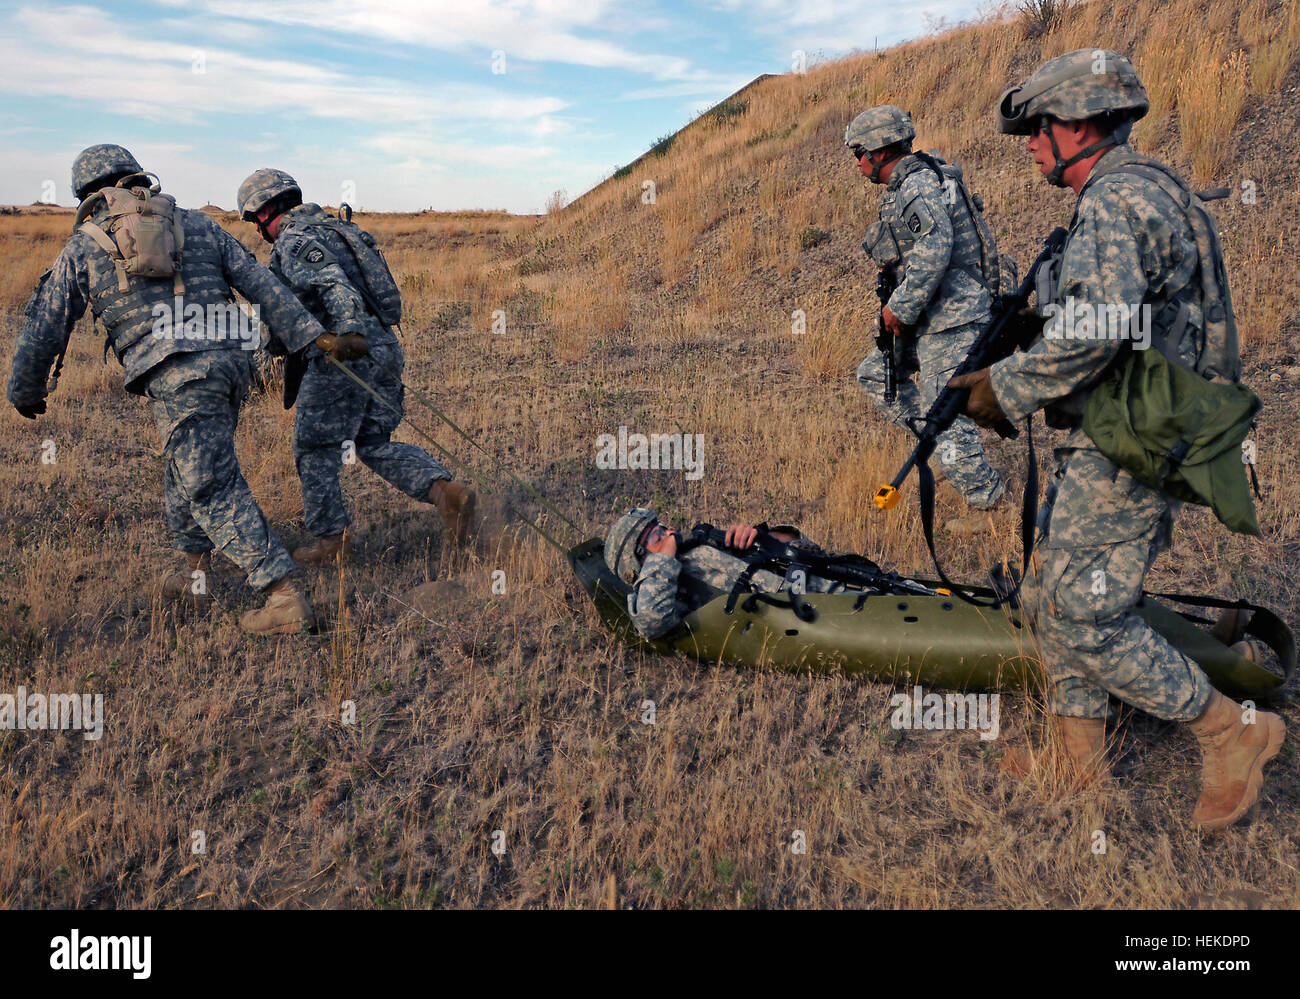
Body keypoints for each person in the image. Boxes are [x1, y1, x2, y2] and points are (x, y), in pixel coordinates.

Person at [952, 50, 1285, 830]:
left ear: (1080, 124)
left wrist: (1005, 388)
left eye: (1039, 127)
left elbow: (1095, 335)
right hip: (1112, 430)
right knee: (1047, 597)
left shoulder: (1117, 204)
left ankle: (1231, 731)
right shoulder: (1136, 193)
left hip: (1133, 441)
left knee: (1086, 610)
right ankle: (1079, 763)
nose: (1030, 144)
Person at [5, 144, 361, 635]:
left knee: (210, 483)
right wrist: (310, 335)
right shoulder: (198, 223)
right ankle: (191, 570)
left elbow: (44, 327)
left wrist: (25, 391)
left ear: (87, 194)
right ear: (136, 178)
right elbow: (261, 284)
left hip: (177, 373)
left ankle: (282, 594)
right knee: (188, 464)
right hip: (233, 366)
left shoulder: (84, 245)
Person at [234, 169, 475, 564]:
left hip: (344, 357)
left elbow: (334, 286)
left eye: (252, 220)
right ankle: (447, 495)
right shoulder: (334, 229)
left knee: (314, 450)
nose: (256, 230)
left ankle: (331, 544)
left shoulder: (295, 242)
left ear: (265, 211)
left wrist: (347, 334)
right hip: (385, 348)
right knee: (372, 442)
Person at [844, 105, 1007, 535]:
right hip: (935, 318)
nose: (857, 162)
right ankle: (936, 438)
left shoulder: (917, 185)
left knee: (943, 410)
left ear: (878, 150)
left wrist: (901, 306)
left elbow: (936, 247)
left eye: (859, 152)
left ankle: (988, 504)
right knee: (876, 375)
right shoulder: (925, 178)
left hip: (951, 317)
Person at [604, 508, 849, 640]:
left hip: (829, 585)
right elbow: (651, 621)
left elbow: (810, 552)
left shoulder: (699, 543)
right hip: (817, 614)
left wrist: (767, 541)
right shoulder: (659, 590)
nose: (669, 534)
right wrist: (662, 560)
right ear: (636, 563)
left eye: (661, 527)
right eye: (656, 536)